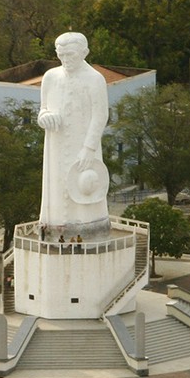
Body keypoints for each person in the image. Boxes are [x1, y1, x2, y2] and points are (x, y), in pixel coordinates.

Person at [37, 32, 111, 240]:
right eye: (61, 55)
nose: (66, 60)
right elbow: (43, 109)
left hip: (83, 145)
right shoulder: (50, 77)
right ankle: (53, 229)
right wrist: (44, 117)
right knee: (57, 188)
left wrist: (89, 148)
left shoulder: (95, 79)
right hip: (56, 144)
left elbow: (101, 114)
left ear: (84, 53)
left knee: (84, 191)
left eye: (71, 55)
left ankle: (88, 230)